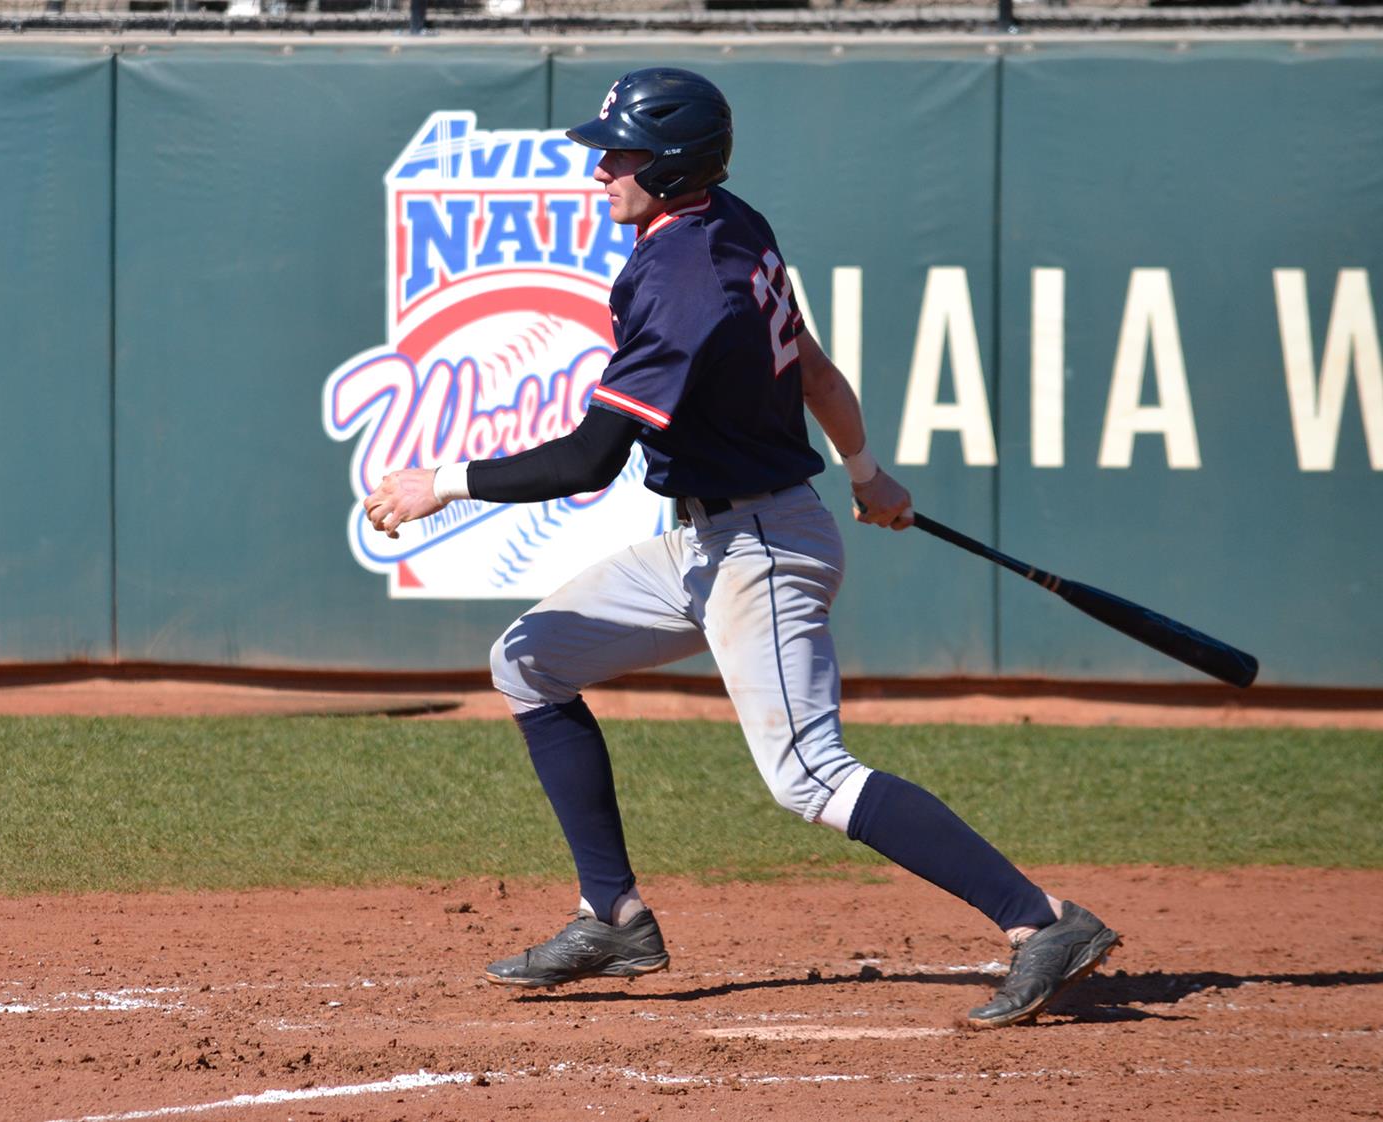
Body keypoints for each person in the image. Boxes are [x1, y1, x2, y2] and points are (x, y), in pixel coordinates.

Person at [360, 67, 1118, 1030]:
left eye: (621, 154)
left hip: (757, 548)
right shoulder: (729, 223)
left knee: (809, 774)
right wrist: (867, 473)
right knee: (529, 661)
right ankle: (614, 919)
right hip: (712, 540)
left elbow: (591, 459)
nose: (601, 169)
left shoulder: (685, 281)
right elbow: (813, 371)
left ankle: (1041, 920)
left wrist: (442, 484)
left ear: (672, 166)